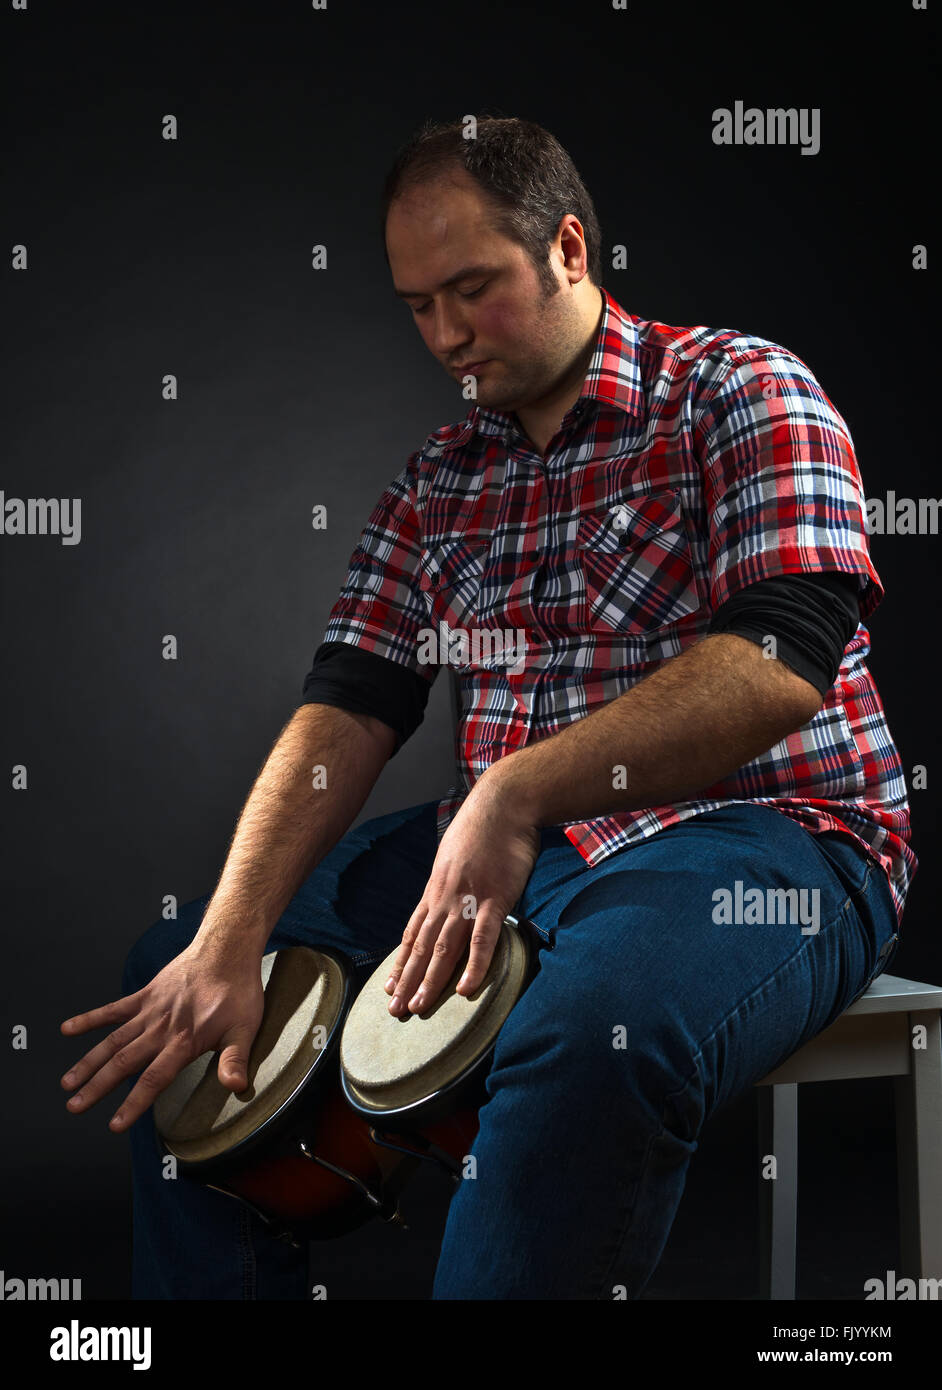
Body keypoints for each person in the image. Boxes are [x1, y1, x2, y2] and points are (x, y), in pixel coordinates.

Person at [60, 115, 916, 1300]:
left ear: (568, 247)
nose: (448, 335)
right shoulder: (437, 482)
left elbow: (781, 658)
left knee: (588, 1036)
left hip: (760, 834)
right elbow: (349, 709)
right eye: (419, 304)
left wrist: (518, 789)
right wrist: (232, 930)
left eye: (473, 288)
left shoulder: (743, 389)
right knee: (184, 974)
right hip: (505, 843)